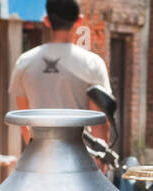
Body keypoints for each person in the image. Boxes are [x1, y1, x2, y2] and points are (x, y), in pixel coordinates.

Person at [8, 0, 111, 147]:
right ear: (79, 20)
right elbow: (99, 123)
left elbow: (24, 121)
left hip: (40, 157)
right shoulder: (92, 63)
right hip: (81, 158)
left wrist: (34, 153)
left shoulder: (24, 62)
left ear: (47, 21)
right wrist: (100, 163)